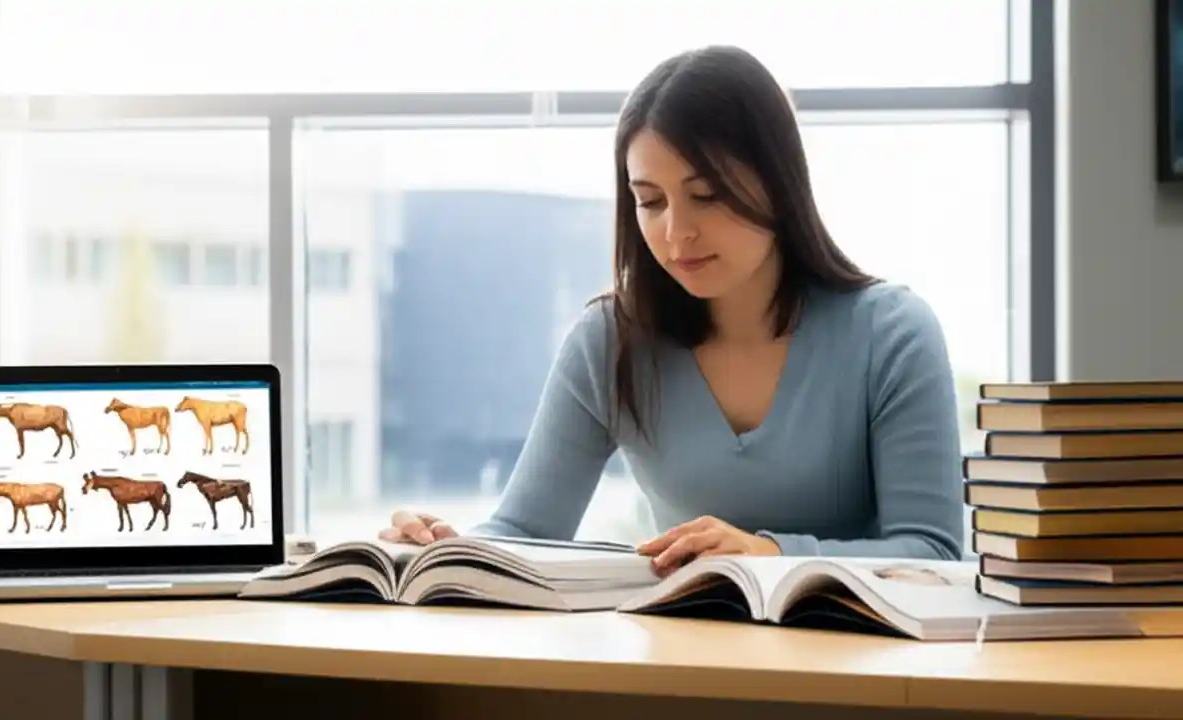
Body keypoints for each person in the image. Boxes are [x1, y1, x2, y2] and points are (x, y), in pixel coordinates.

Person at [380, 45, 964, 575]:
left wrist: (769, 553)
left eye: (706, 196)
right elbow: (528, 533)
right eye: (649, 201)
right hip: (680, 668)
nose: (676, 232)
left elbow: (933, 552)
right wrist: (445, 551)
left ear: (778, 183)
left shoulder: (892, 334)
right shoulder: (611, 340)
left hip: (862, 673)